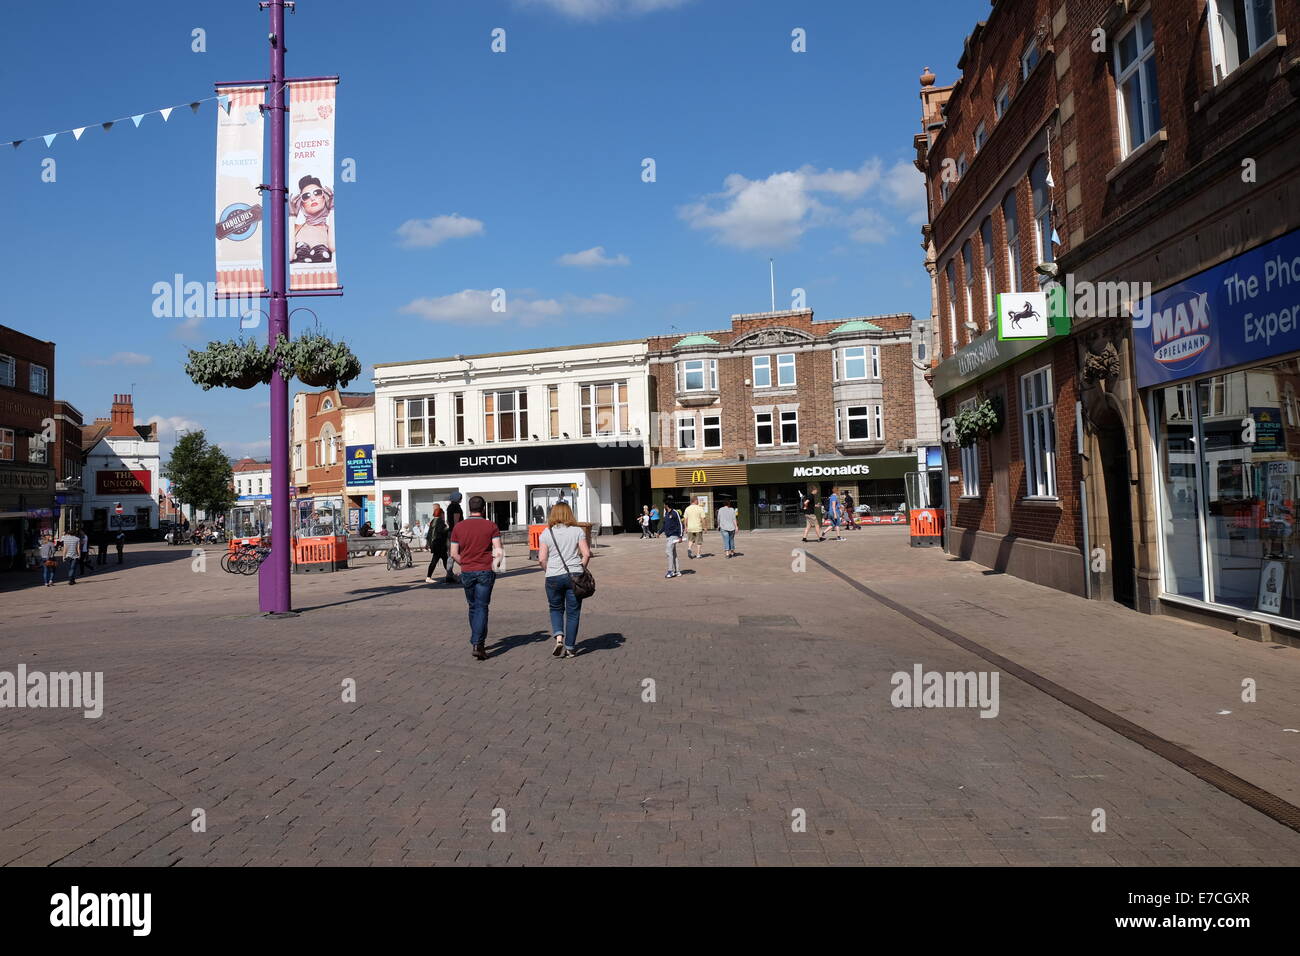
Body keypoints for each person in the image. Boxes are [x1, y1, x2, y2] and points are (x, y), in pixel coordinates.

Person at [449, 495, 503, 661]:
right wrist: (496, 565)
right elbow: (498, 550)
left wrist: (464, 564)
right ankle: (478, 643)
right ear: (484, 508)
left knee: (473, 606)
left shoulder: (459, 528)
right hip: (485, 570)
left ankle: (476, 639)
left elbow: (453, 553)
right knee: (482, 607)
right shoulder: (491, 526)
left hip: (467, 571)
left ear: (469, 508)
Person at [536, 501, 592, 659]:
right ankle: (570, 648)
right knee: (573, 613)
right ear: (569, 513)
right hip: (574, 575)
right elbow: (586, 554)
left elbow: (541, 559)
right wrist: (581, 569)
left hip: (553, 575)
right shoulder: (577, 531)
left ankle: (559, 637)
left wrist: (549, 570)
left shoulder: (547, 533)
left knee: (555, 608)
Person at [424, 505, 451, 583]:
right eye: (443, 513)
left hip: (435, 544)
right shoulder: (440, 521)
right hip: (439, 545)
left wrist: (428, 543)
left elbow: (430, 533)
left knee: (444, 560)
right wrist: (448, 528)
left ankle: (450, 575)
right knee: (437, 561)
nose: (444, 515)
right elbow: (441, 532)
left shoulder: (433, 521)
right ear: (441, 514)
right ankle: (429, 577)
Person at [444, 492, 464, 584]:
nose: (461, 499)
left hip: (450, 531)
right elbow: (456, 521)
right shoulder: (456, 507)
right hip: (456, 532)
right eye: (460, 497)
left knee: (451, 554)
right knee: (460, 552)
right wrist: (458, 532)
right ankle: (466, 571)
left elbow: (448, 520)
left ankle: (449, 574)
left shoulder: (449, 507)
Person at [662, 500, 683, 579]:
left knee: (668, 552)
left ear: (667, 505)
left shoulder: (675, 512)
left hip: (674, 536)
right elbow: (664, 525)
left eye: (664, 504)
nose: (663, 506)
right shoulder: (666, 514)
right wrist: (659, 532)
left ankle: (670, 571)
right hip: (668, 536)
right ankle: (677, 571)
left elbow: (680, 524)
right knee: (673, 554)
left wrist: (680, 536)